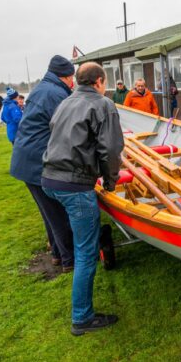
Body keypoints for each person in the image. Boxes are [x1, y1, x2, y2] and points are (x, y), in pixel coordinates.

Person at [41, 62, 124, 336]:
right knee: (86, 252)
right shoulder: (102, 104)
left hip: (49, 179)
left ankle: (81, 311)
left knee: (81, 243)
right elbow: (111, 149)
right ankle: (82, 318)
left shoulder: (66, 102)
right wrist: (110, 181)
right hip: (74, 186)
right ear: (99, 81)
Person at [10, 55, 75, 270]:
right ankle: (69, 261)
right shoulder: (56, 94)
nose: (73, 83)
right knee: (58, 212)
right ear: (64, 77)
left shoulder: (42, 88)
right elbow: (67, 132)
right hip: (38, 162)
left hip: (26, 159)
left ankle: (57, 254)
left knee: (48, 213)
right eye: (71, 78)